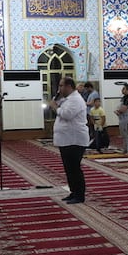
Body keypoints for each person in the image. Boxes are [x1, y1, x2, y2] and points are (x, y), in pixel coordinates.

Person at [51, 76, 88, 204]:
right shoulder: (67, 99)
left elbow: (67, 115)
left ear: (69, 86)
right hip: (66, 140)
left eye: (61, 86)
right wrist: (57, 102)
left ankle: (79, 195)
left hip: (74, 140)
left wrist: (55, 107)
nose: (59, 88)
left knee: (74, 168)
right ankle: (73, 192)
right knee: (69, 169)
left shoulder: (76, 99)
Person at [115, 82, 128, 153]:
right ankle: (125, 148)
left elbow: (123, 109)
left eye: (124, 89)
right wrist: (118, 111)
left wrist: (118, 111)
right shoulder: (123, 98)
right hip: (121, 118)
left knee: (127, 134)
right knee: (123, 134)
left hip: (127, 118)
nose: (122, 90)